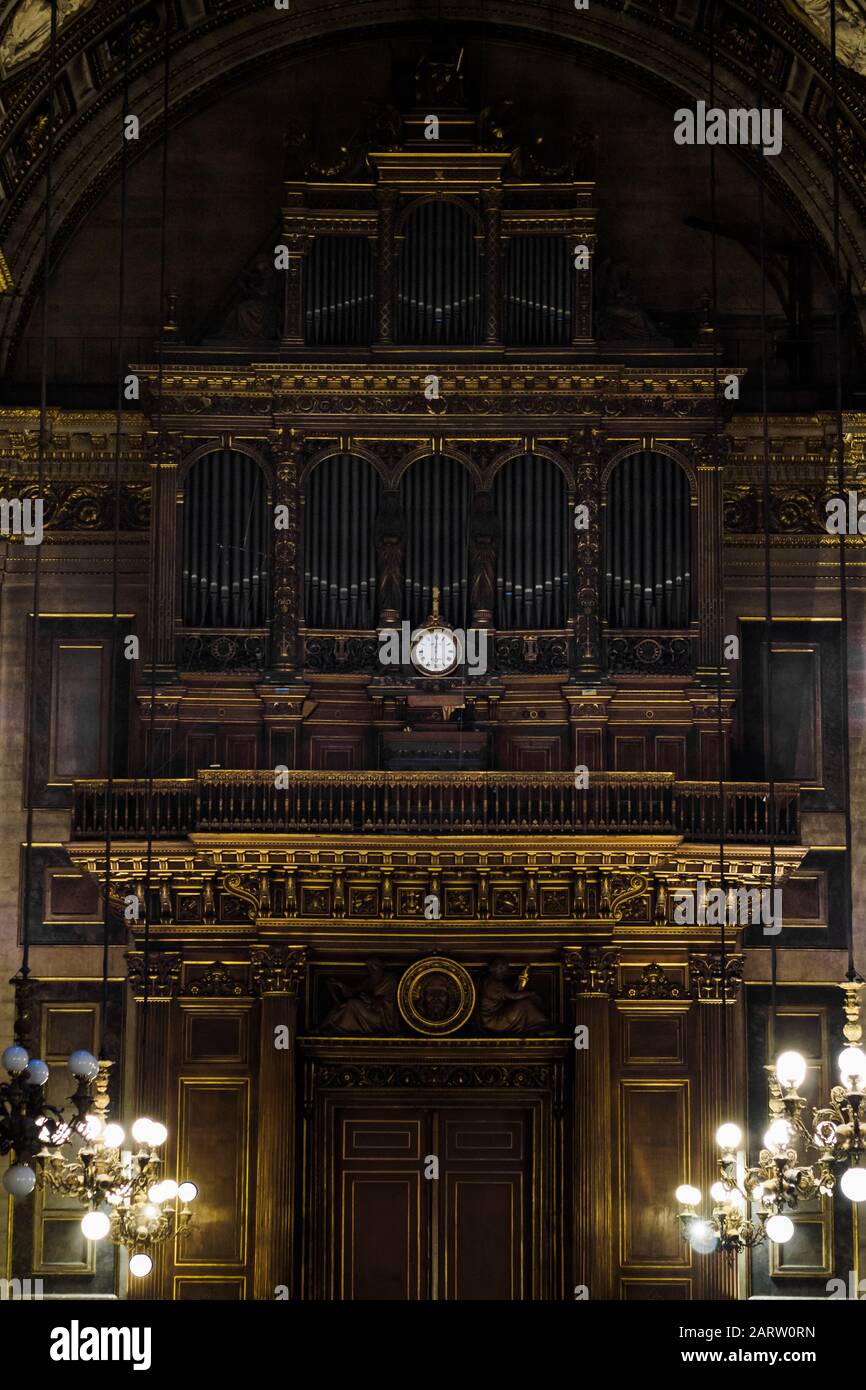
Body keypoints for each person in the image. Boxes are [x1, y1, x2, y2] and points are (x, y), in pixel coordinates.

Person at [479, 959, 551, 1034]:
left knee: (523, 1003)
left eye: (504, 969)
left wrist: (520, 981)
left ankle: (538, 1025)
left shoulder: (489, 981)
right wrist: (531, 993)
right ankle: (541, 1025)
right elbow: (514, 996)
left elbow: (509, 991)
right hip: (494, 1021)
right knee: (525, 1004)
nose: (502, 972)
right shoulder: (494, 984)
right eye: (500, 968)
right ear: (491, 968)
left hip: (491, 1019)